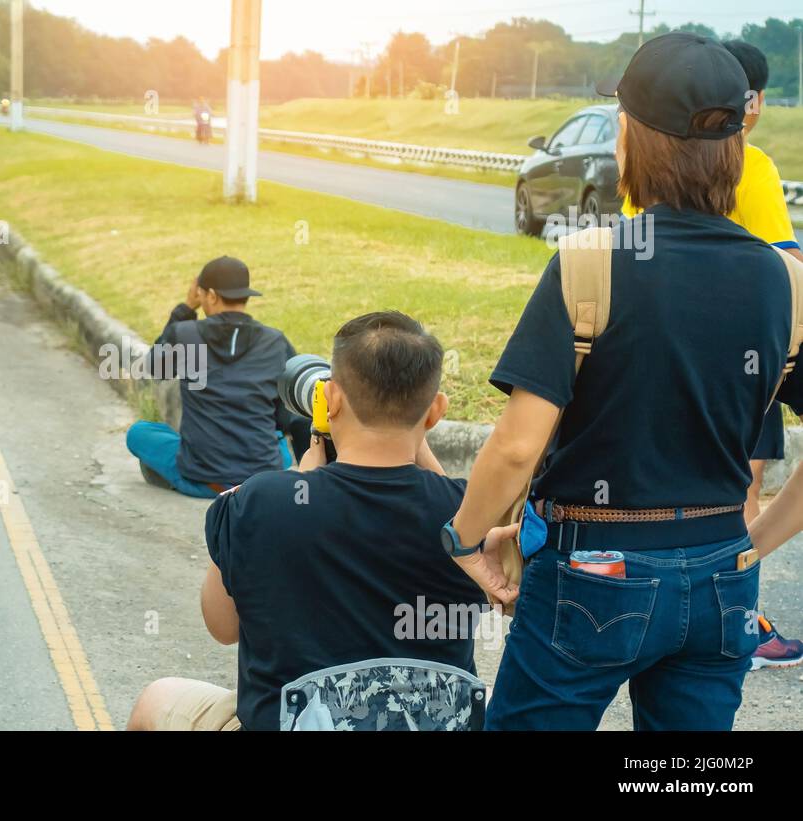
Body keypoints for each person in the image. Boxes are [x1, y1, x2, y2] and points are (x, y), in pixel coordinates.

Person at [443, 33, 803, 731]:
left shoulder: (589, 265)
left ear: (632, 139)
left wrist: (462, 537)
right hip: (723, 577)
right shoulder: (788, 284)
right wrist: (754, 543)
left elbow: (518, 450)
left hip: (591, 576)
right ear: (734, 145)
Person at [128, 312, 501, 731]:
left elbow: (222, 626)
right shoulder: (471, 523)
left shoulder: (257, 503)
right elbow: (448, 498)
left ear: (331, 400)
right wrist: (420, 442)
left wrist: (298, 488)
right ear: (436, 411)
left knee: (154, 701)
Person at [620, 40, 803, 673]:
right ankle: (735, 611)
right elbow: (788, 258)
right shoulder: (755, 166)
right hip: (748, 355)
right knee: (737, 495)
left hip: (656, 355)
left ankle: (722, 610)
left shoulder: (634, 193)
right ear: (745, 106)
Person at [125, 257, 296, 498]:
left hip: (205, 481)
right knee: (279, 445)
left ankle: (177, 478)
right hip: (260, 479)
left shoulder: (185, 334)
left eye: (201, 294)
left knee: (139, 433)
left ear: (212, 296)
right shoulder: (275, 341)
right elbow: (285, 414)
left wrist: (186, 308)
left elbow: (156, 369)